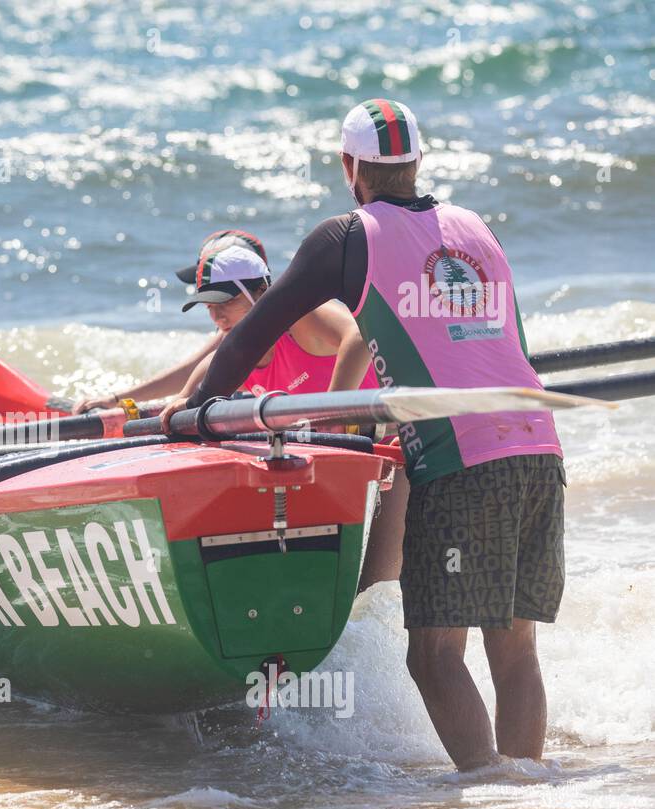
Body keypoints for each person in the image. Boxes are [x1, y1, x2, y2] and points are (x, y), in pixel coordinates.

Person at [163, 99, 564, 771]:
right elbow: (496, 343)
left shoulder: (345, 237)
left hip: (461, 460)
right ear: (416, 164)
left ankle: (496, 795)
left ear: (351, 167)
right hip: (539, 443)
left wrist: (192, 412)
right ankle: (524, 795)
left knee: (433, 655)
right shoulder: (473, 226)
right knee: (513, 648)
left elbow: (251, 335)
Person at [73, 230, 374, 413]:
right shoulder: (231, 350)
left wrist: (336, 412)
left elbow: (361, 335)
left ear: (262, 292)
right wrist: (119, 402)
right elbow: (186, 390)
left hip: (384, 426)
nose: (217, 316)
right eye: (209, 305)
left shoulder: (300, 318)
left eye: (227, 301)